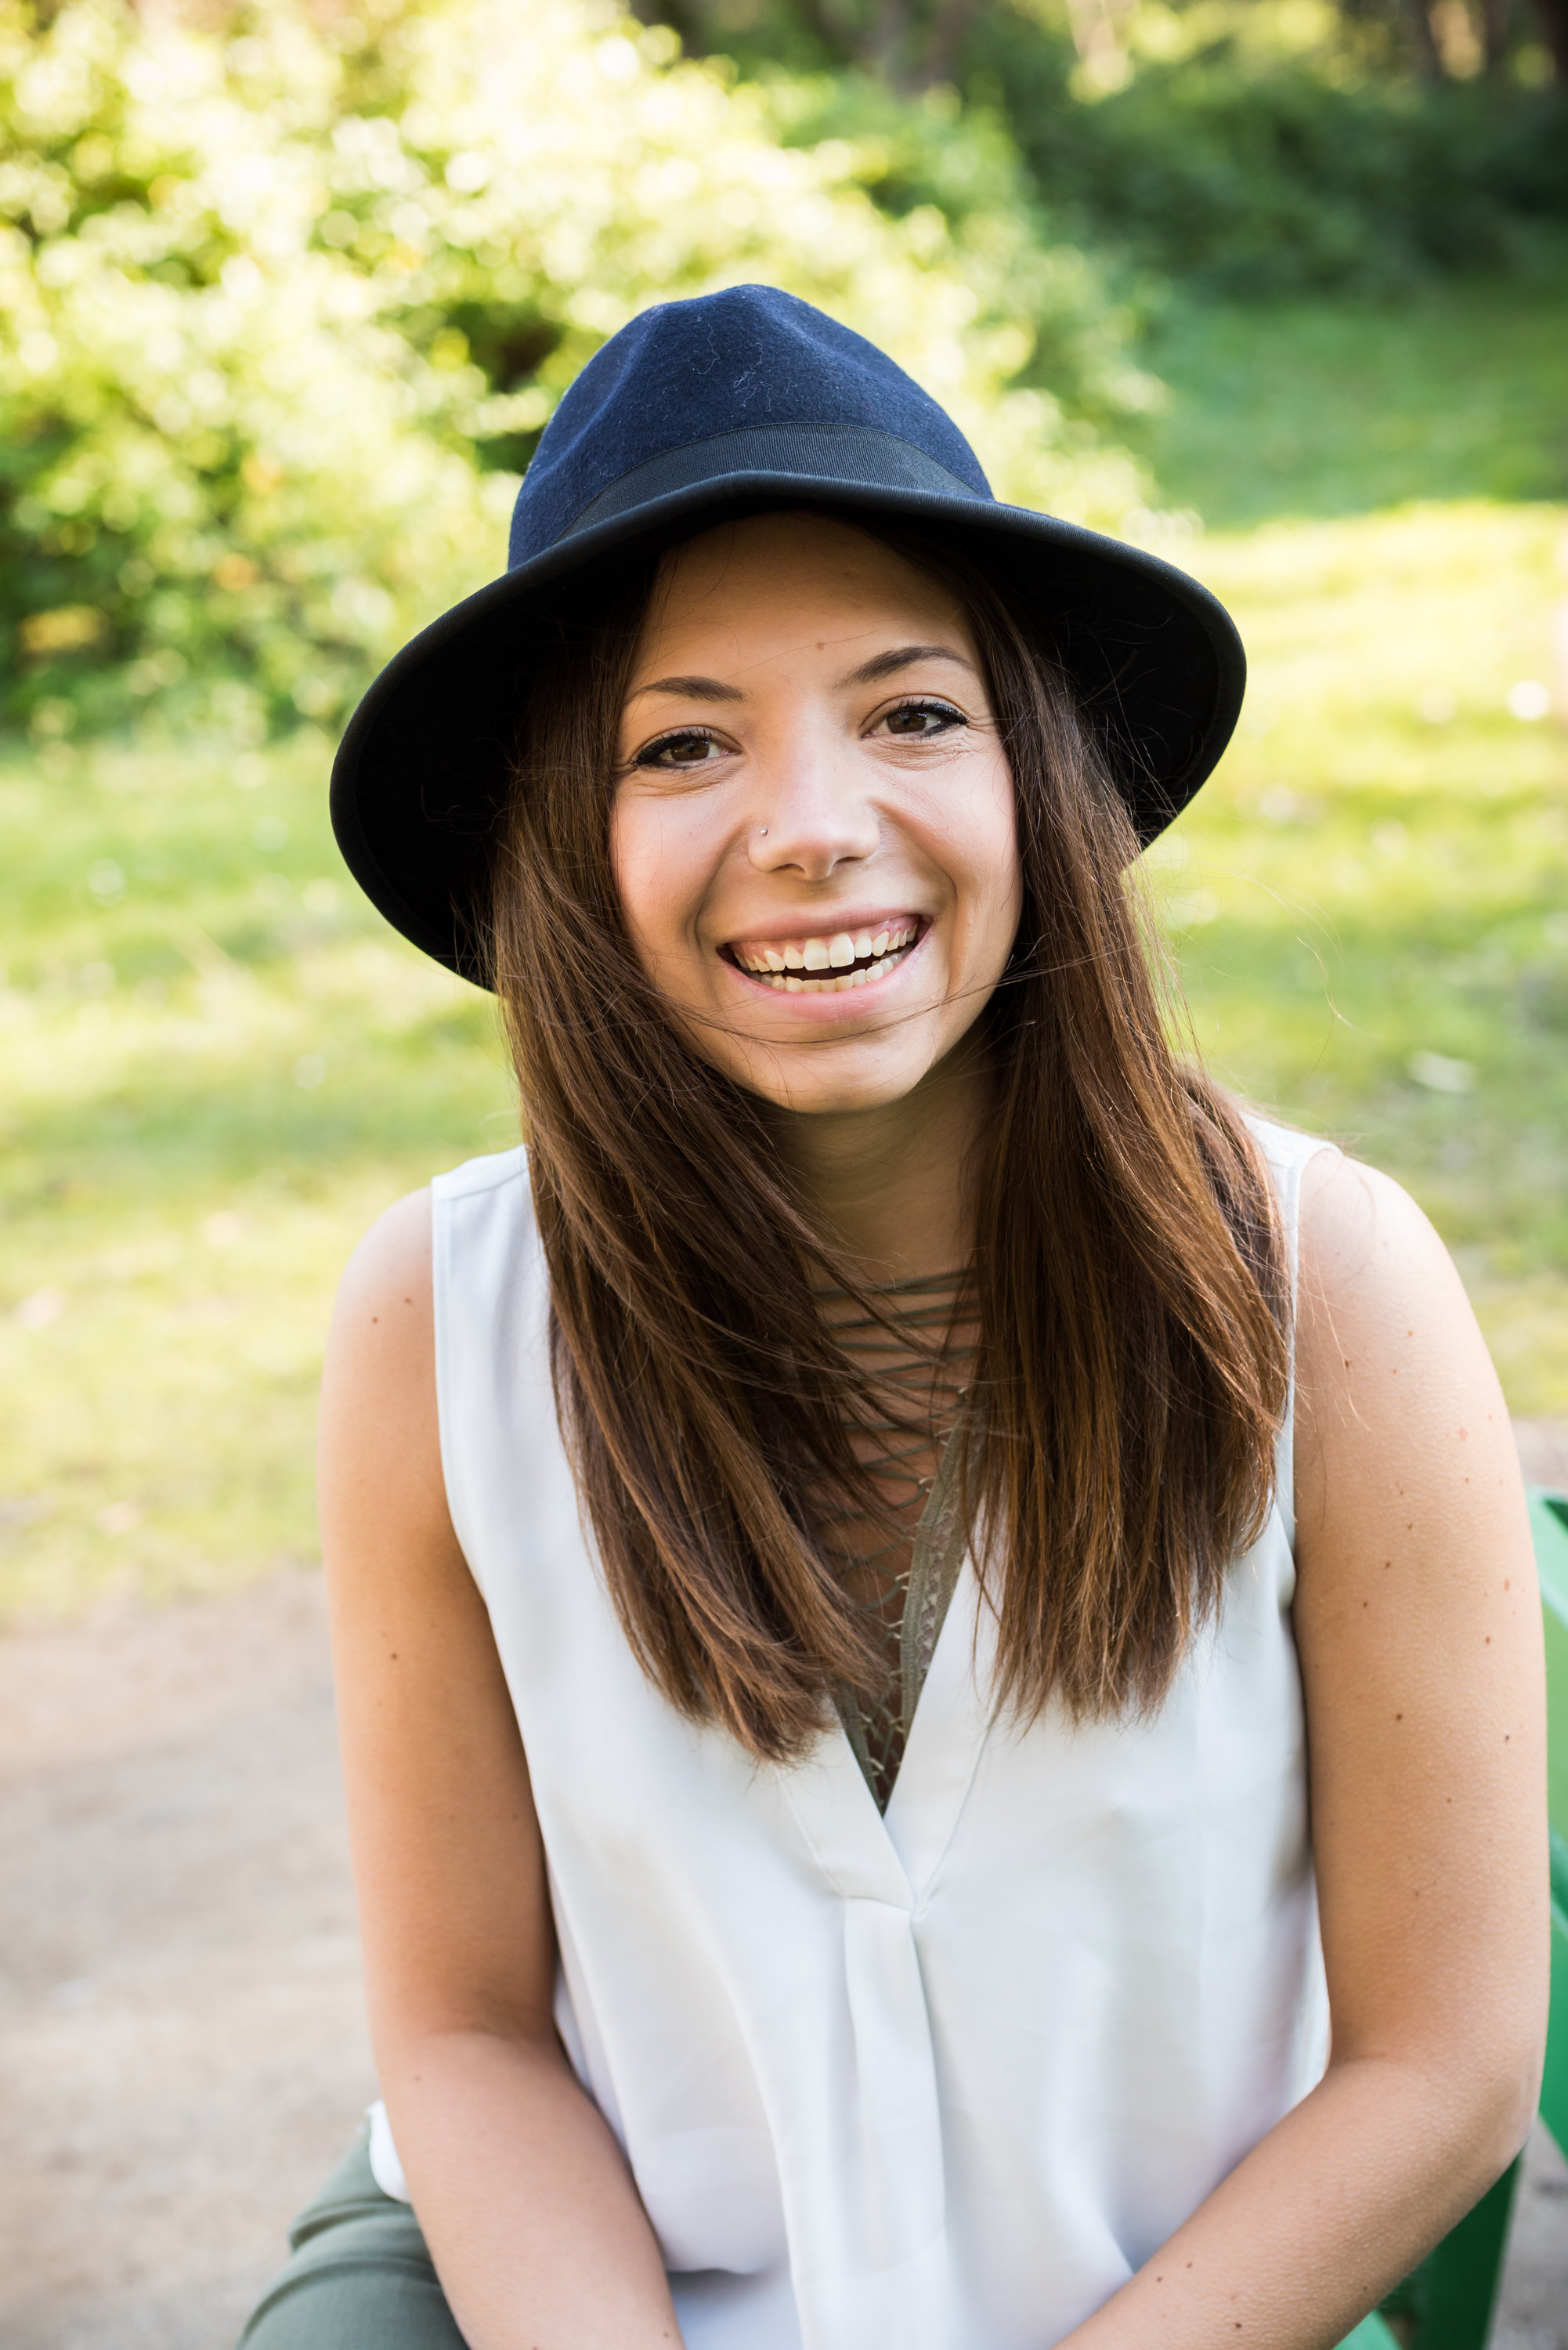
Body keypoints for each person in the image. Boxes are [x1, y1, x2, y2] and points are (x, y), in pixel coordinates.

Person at [239, 287, 1547, 2350]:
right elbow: (470, 2031)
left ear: (1038, 773)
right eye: (683, 743)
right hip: (559, 2282)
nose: (810, 821)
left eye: (910, 713)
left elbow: (1440, 2066)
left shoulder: (1321, 1283)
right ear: (567, 846)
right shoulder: (442, 1317)